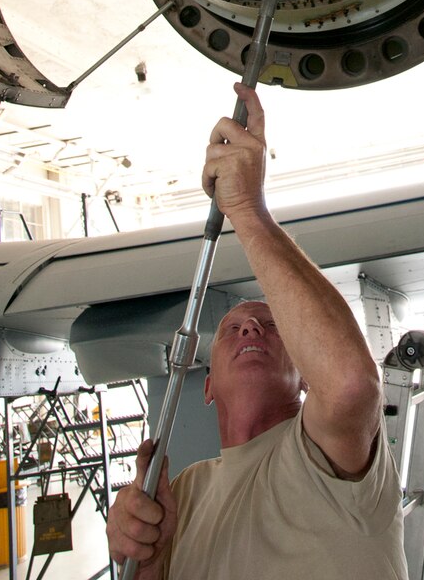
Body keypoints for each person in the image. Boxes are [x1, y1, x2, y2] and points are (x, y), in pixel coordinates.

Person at [107, 82, 408, 579]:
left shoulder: (323, 454)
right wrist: (148, 556)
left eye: (271, 326)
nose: (249, 325)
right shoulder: (183, 492)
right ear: (207, 387)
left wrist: (248, 211)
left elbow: (352, 385)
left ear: (305, 376)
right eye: (231, 329)